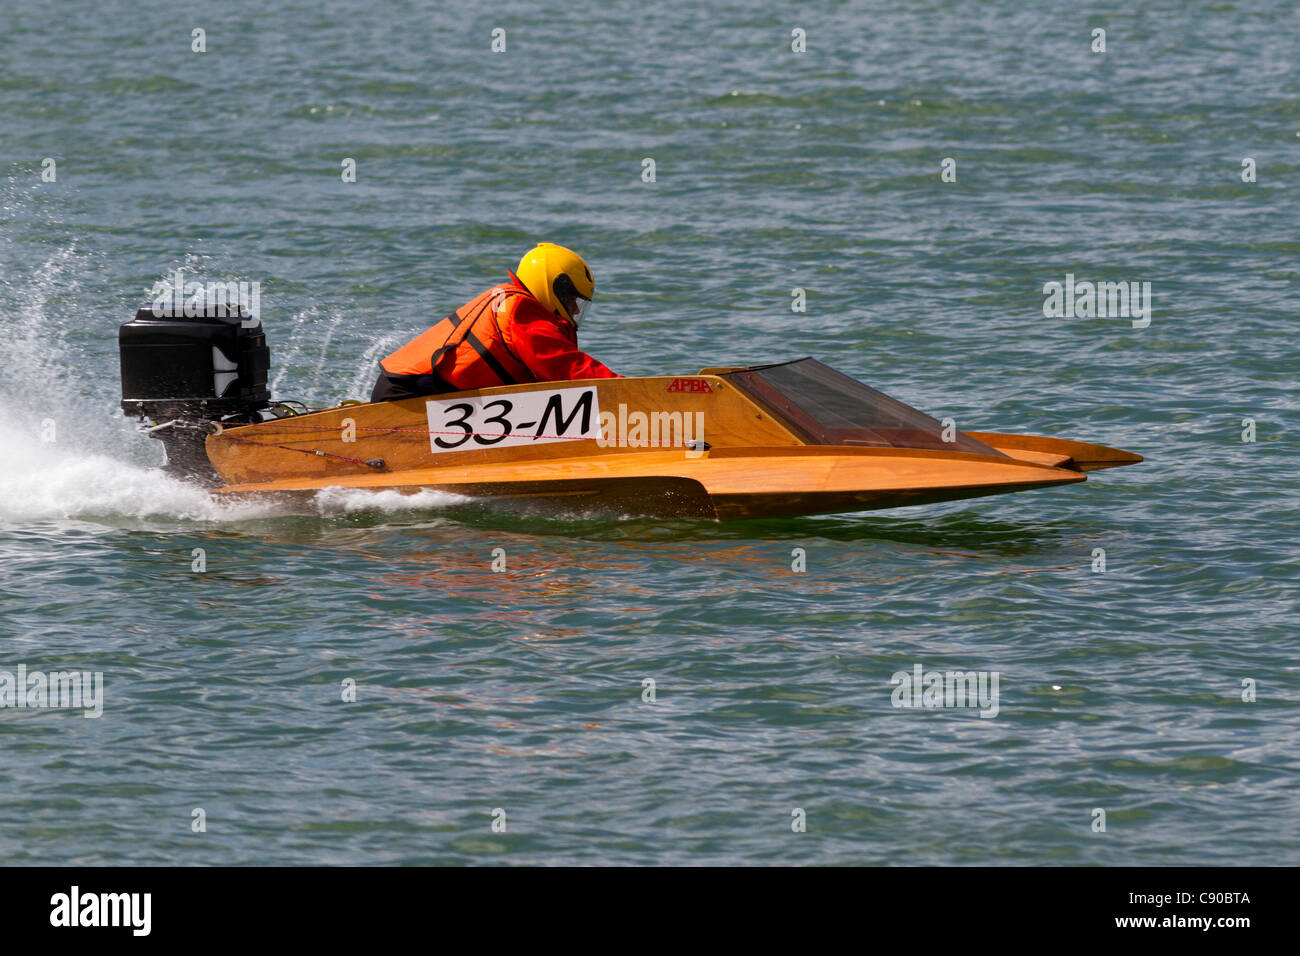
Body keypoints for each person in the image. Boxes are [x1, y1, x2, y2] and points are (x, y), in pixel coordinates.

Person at [370, 243, 621, 402]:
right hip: (410, 398)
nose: (575, 309)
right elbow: (564, 366)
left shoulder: (509, 299)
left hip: (415, 394)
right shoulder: (522, 311)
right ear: (553, 287)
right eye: (570, 300)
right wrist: (627, 389)